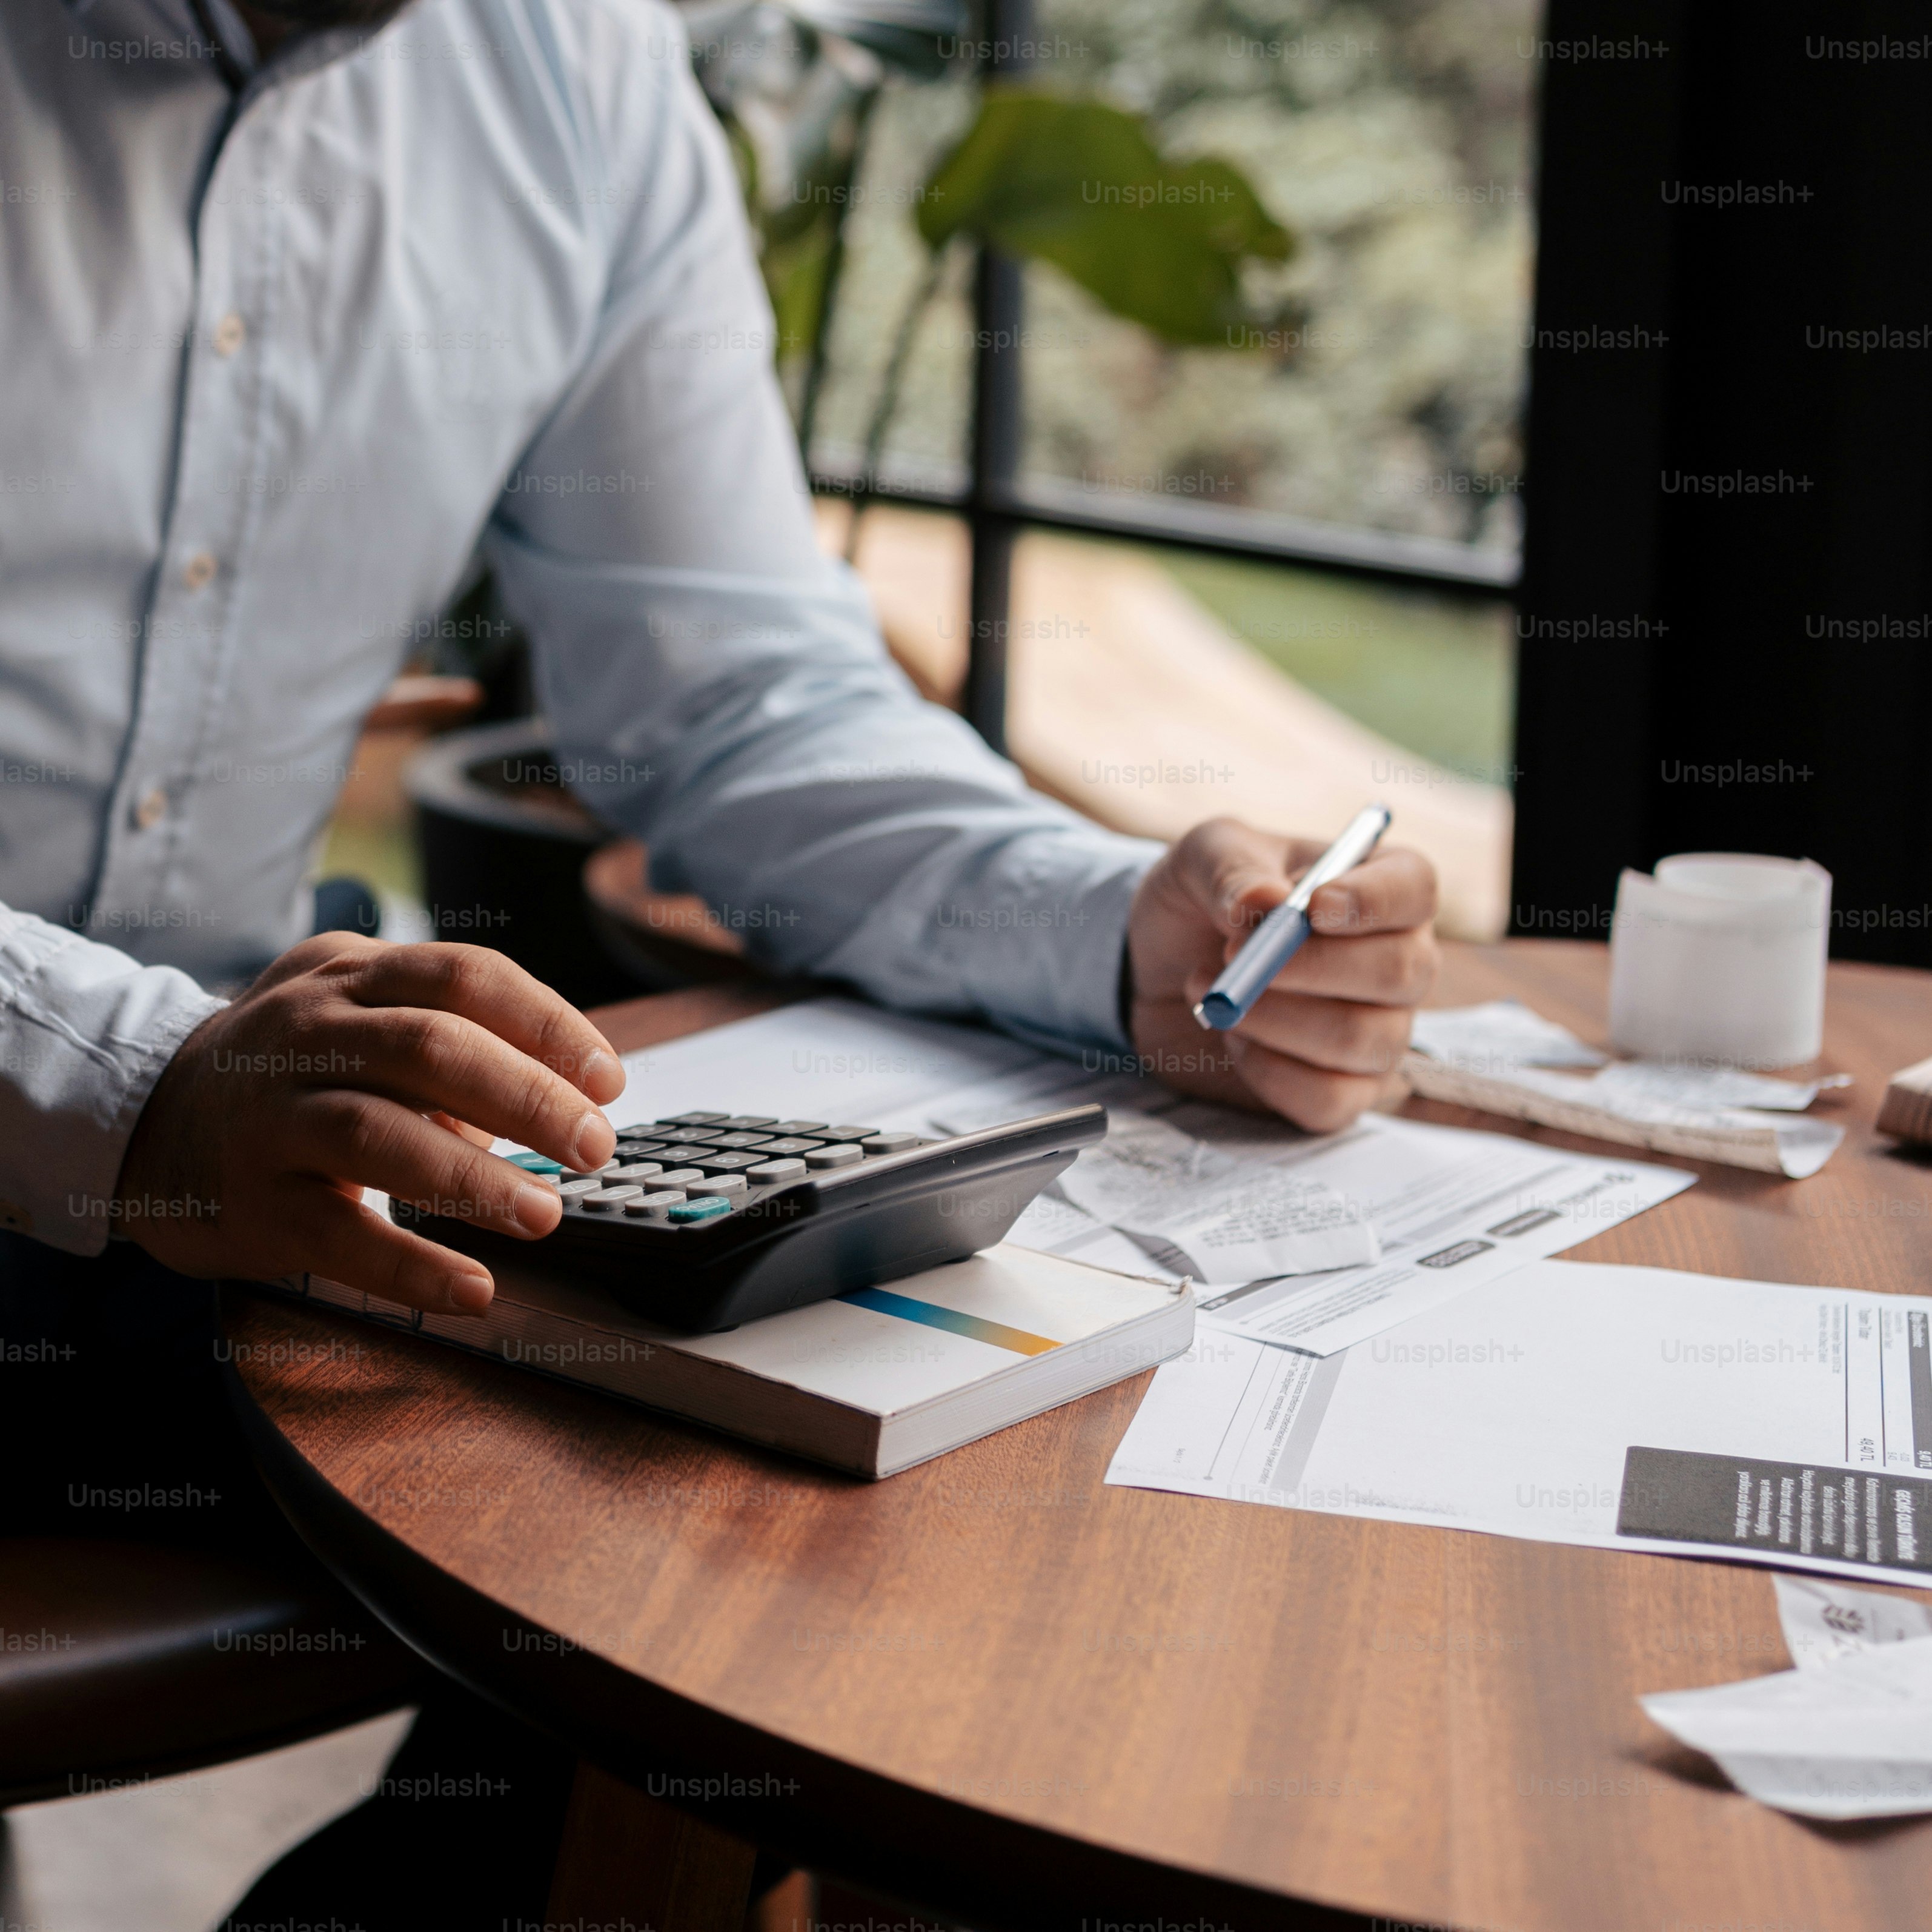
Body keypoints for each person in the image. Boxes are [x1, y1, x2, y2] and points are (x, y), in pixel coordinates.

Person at [1, 0, 1437, 1919]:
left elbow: (734, 695)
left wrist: (1112, 934)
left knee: (788, 1573)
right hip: (151, 1126)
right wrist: (120, 1075)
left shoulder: (571, 74)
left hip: (251, 1227)